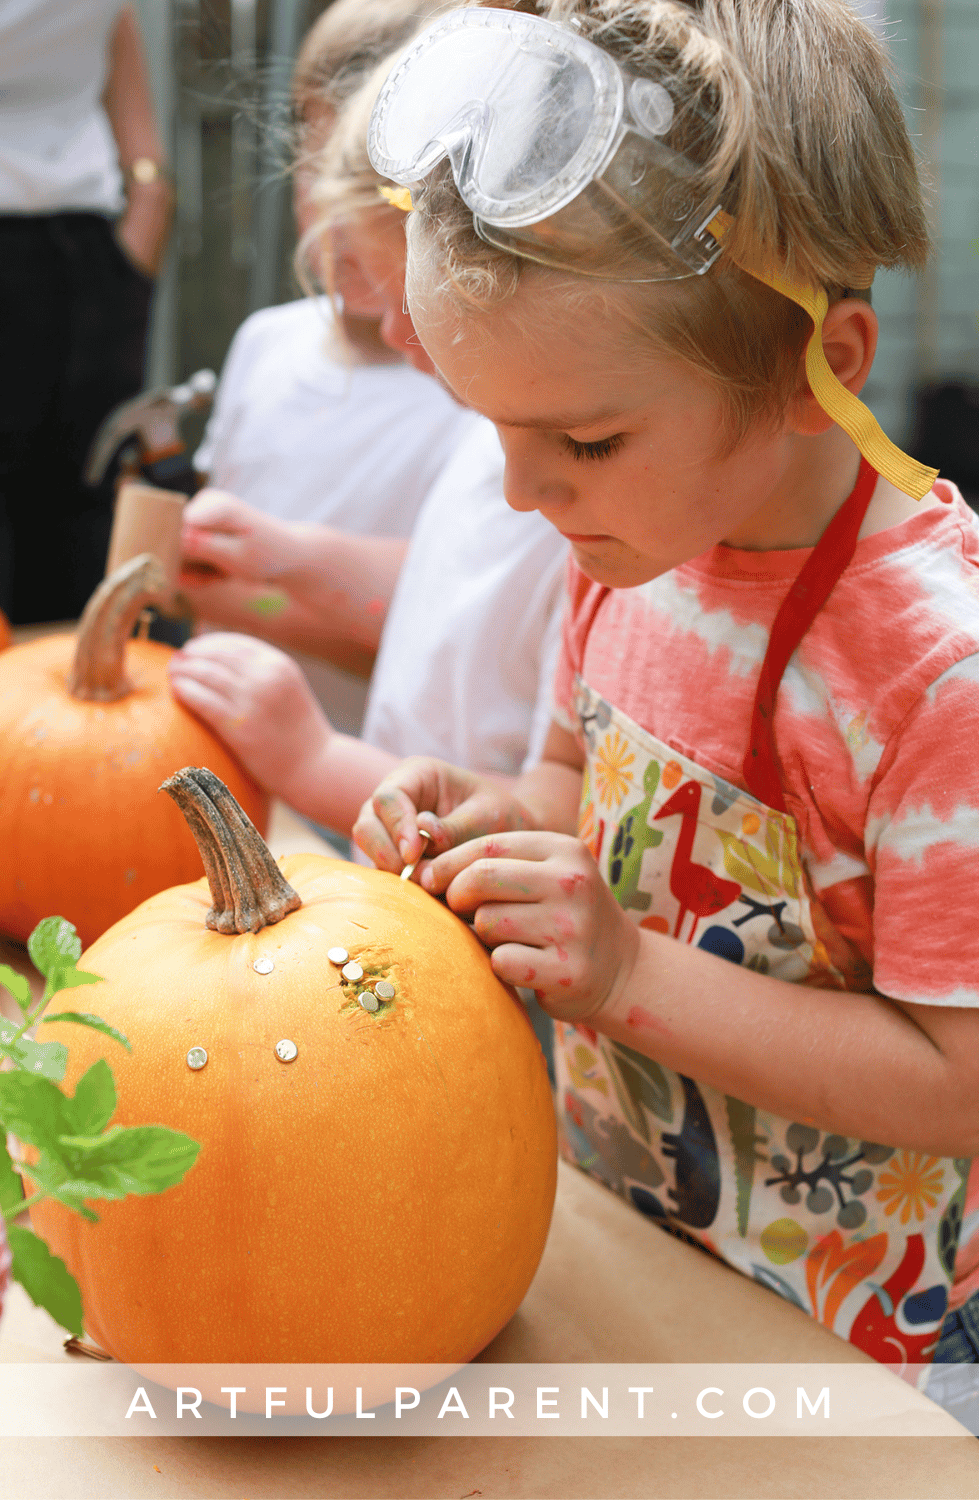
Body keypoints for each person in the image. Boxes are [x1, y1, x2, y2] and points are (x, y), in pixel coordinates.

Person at [352, 0, 979, 1368]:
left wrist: (626, 969)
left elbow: (960, 1077)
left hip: (861, 1351)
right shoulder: (637, 544)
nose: (523, 494)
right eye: (497, 435)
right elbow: (576, 789)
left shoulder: (936, 675)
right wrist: (489, 819)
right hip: (625, 1256)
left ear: (824, 371)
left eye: (580, 437)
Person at [170, 65, 568, 834]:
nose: (391, 332)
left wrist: (310, 756)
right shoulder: (494, 441)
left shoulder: (569, 492)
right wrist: (287, 553)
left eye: (409, 302)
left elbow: (561, 810)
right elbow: (442, 596)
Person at [188, 0, 472, 732]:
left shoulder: (473, 405)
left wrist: (263, 585)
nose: (330, 213)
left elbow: (451, 645)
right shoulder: (264, 342)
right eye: (312, 162)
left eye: (378, 183)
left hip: (361, 792)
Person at [0, 3, 173, 623]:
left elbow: (112, 26)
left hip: (81, 247)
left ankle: (66, 706)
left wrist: (148, 195)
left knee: (79, 510)